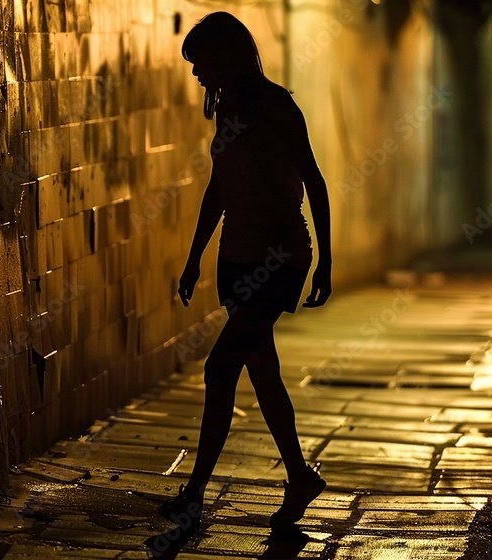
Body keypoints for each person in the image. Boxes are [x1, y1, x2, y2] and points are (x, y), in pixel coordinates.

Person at [160, 11, 332, 533]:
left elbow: (314, 179)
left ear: (226, 54)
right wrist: (194, 258)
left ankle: (193, 494)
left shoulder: (276, 106)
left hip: (278, 259)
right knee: (264, 374)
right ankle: (300, 477)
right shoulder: (228, 108)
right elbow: (219, 188)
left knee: (219, 368)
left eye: (200, 61)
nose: (195, 74)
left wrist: (327, 259)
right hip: (236, 261)